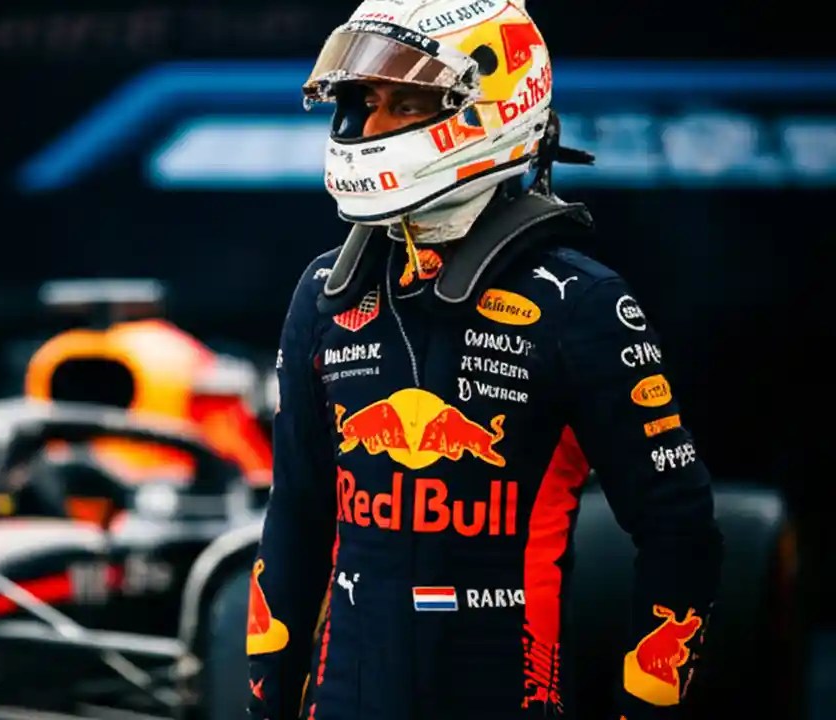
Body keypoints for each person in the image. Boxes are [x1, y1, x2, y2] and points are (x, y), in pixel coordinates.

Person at [245, 1, 723, 718]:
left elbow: (679, 530)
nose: (370, 129)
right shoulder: (322, 295)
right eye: (363, 104)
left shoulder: (581, 303)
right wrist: (267, 703)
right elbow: (295, 518)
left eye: (404, 103)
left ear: (493, 111)